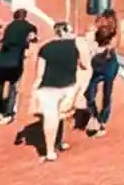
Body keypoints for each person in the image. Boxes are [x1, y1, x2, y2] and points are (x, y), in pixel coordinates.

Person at [31, 21, 87, 163]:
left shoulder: (45, 48)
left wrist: (34, 92)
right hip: (68, 86)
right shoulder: (76, 44)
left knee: (50, 117)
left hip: (48, 87)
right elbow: (84, 64)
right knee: (62, 114)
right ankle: (59, 142)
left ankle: (50, 151)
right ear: (68, 30)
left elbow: (39, 74)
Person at [0, 9, 39, 124]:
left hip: (0, 61)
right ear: (25, 17)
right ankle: (8, 113)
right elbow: (33, 35)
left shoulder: (9, 27)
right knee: (13, 87)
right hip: (15, 61)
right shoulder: (28, 26)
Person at [84, 9, 119, 136]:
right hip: (99, 67)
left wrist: (96, 49)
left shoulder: (112, 35)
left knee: (106, 93)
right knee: (90, 91)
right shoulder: (94, 34)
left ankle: (101, 121)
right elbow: (89, 47)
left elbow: (109, 49)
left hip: (108, 66)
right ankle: (95, 116)